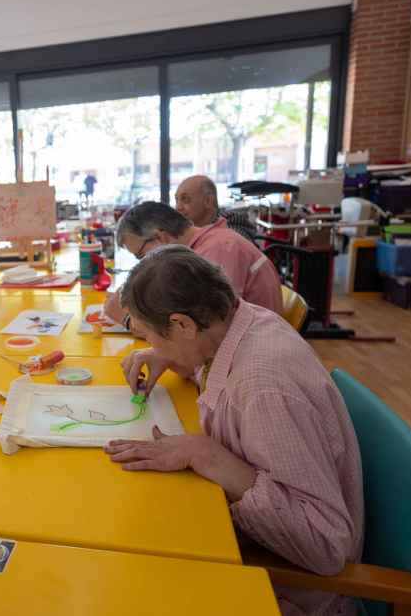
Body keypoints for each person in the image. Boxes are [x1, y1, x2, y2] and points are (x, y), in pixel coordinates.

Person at [106, 245, 364, 616]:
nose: (149, 345)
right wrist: (172, 354)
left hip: (294, 589)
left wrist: (205, 454)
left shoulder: (262, 388)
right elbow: (212, 367)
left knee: (129, 578)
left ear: (183, 324)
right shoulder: (243, 321)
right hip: (251, 544)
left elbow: (325, 546)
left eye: (150, 336)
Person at [104, 201, 282, 333]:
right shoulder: (205, 247)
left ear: (159, 239)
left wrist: (128, 319)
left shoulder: (217, 250)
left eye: (142, 257)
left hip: (249, 357)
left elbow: (196, 334)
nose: (143, 264)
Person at [174, 175, 256, 242]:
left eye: (185, 199)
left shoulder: (227, 235)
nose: (178, 207)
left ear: (208, 201)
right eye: (177, 200)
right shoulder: (205, 231)